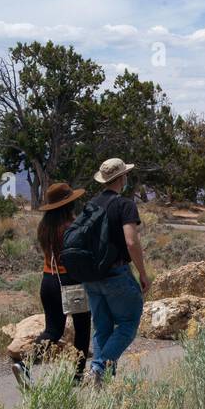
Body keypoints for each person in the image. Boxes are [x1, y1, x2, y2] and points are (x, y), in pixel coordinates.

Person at [16, 182, 93, 387]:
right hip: (70, 282)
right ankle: (77, 376)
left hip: (48, 280)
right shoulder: (70, 228)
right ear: (67, 205)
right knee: (83, 327)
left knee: (52, 330)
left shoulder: (45, 227)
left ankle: (25, 363)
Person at [82, 157, 150, 383]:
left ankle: (101, 385)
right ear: (122, 178)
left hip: (91, 276)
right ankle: (98, 369)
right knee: (128, 324)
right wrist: (142, 272)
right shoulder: (125, 204)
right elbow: (131, 242)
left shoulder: (91, 204)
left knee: (102, 329)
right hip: (117, 274)